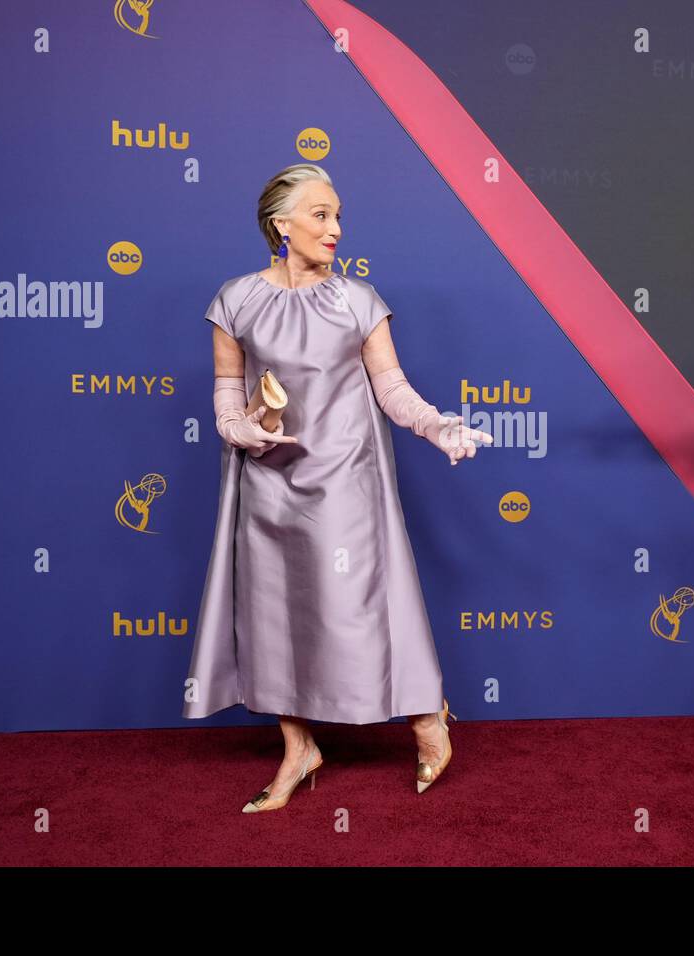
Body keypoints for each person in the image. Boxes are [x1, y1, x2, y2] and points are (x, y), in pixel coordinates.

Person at [182, 163, 493, 813]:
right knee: (274, 620)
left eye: (338, 215)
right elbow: (225, 402)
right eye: (321, 215)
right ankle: (299, 750)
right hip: (268, 482)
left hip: (348, 478)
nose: (336, 229)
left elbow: (393, 390)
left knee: (357, 606)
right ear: (281, 225)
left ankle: (423, 715)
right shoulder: (235, 301)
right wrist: (248, 429)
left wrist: (439, 428)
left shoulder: (358, 300)